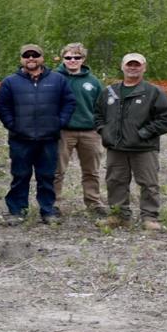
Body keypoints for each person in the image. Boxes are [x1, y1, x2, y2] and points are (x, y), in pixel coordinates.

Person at [0, 43, 76, 225]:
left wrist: (58, 123)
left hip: (48, 138)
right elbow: (2, 106)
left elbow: (69, 102)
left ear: (42, 57)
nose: (31, 58)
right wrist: (12, 125)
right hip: (20, 139)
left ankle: (48, 211)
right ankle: (17, 211)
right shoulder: (10, 81)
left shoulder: (58, 80)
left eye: (35, 54)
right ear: (21, 59)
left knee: (46, 176)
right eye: (26, 55)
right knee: (20, 176)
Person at [97, 53, 167, 232]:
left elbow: (166, 118)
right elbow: (98, 115)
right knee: (115, 181)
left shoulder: (153, 92)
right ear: (122, 66)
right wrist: (104, 131)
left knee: (148, 183)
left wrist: (144, 133)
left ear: (144, 67)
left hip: (144, 148)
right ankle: (119, 216)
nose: (133, 68)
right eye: (129, 64)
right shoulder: (110, 91)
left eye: (137, 65)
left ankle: (149, 217)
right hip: (116, 147)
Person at [53, 42, 108, 218]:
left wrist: (100, 127)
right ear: (63, 59)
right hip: (63, 132)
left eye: (77, 57)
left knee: (91, 170)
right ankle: (52, 203)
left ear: (83, 59)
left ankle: (93, 203)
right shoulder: (54, 78)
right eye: (68, 57)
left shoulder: (93, 82)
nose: (72, 60)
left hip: (90, 132)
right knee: (56, 170)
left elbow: (102, 107)